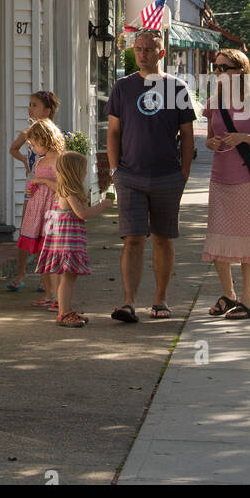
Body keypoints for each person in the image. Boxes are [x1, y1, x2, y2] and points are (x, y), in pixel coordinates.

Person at [106, 27, 194, 322]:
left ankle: (160, 299)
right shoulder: (123, 87)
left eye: (149, 49)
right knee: (132, 239)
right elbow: (114, 132)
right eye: (139, 49)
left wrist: (183, 173)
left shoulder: (177, 87)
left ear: (161, 53)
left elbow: (188, 135)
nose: (143, 54)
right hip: (130, 176)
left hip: (168, 176)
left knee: (162, 238)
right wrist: (115, 169)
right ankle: (129, 302)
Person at [202, 49, 250, 319]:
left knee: (247, 242)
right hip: (219, 178)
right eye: (215, 68)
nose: (218, 72)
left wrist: (243, 137)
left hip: (245, 179)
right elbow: (208, 139)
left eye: (223, 67)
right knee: (218, 239)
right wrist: (213, 143)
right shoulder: (213, 101)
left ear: (240, 70)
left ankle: (248, 301)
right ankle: (228, 294)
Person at [37, 150, 112, 327]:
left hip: (70, 240)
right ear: (75, 172)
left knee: (70, 278)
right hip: (67, 243)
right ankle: (63, 313)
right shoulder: (68, 192)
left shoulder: (67, 190)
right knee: (68, 279)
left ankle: (66, 310)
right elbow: (82, 214)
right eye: (83, 170)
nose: (85, 174)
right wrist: (102, 205)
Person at [6, 90, 60, 290]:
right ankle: (20, 273)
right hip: (32, 187)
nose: (30, 108)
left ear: (47, 110)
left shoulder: (53, 133)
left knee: (46, 232)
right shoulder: (27, 132)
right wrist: (26, 162)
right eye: (29, 104)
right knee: (27, 229)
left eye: (35, 105)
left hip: (50, 189)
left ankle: (44, 277)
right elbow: (13, 149)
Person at [14, 119, 66, 312]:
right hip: (37, 209)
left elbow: (63, 187)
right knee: (39, 251)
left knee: (52, 252)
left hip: (53, 209)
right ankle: (48, 293)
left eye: (36, 143)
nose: (34, 148)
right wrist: (31, 190)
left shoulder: (61, 160)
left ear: (47, 138)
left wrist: (42, 180)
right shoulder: (40, 160)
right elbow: (35, 184)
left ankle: (58, 295)